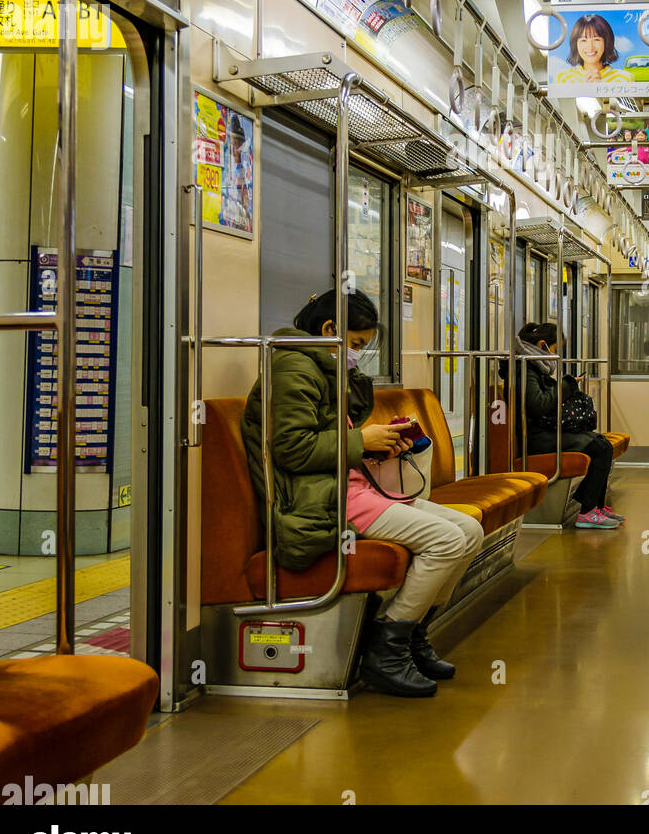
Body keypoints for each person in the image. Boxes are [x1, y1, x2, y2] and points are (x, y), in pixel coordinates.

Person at [240, 289, 484, 698]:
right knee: (445, 540)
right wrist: (362, 441)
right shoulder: (292, 368)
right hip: (317, 499)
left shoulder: (324, 367)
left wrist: (379, 443)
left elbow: (337, 434)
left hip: (349, 485)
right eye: (355, 345)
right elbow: (292, 449)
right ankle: (385, 647)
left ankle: (413, 632)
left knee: (469, 531)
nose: (357, 355)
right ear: (330, 330)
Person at [503, 322, 622, 529]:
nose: (555, 356)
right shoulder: (525, 369)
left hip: (543, 432)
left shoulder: (532, 366)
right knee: (601, 448)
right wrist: (567, 385)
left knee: (602, 443)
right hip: (535, 438)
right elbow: (538, 405)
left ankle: (595, 507)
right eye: (556, 350)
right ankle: (588, 511)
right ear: (543, 345)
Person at [555, 14, 633, 88]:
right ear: (575, 44)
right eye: (583, 40)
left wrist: (601, 90)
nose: (590, 47)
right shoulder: (563, 79)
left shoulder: (625, 78)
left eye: (596, 39)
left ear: (606, 42)